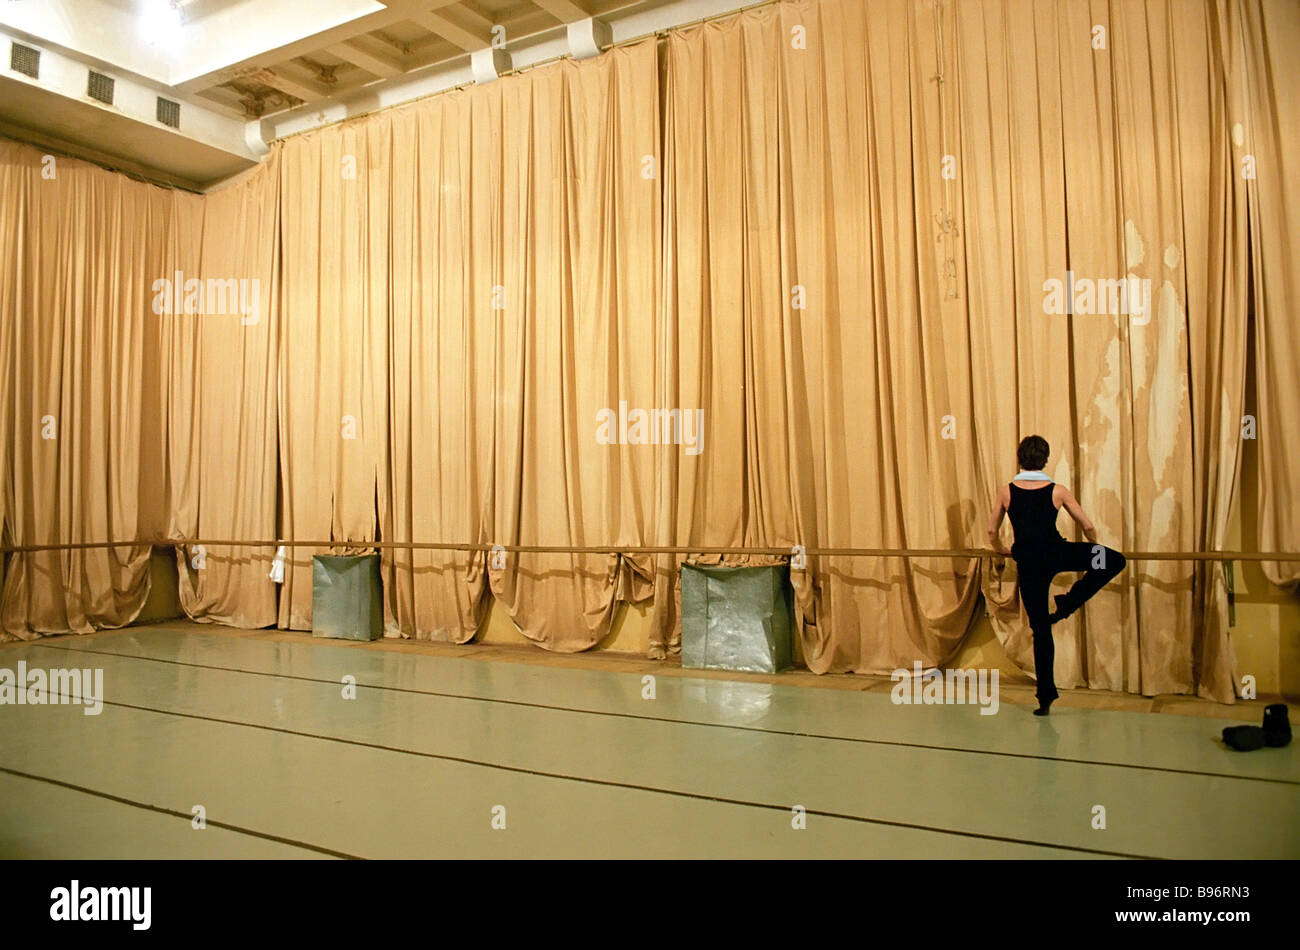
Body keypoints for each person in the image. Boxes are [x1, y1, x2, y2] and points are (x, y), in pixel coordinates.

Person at [986, 435, 1126, 715]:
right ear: (1045, 460)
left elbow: (991, 530)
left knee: (1040, 631)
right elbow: (1087, 524)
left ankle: (1045, 696)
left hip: (1028, 561)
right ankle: (1068, 604)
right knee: (1113, 561)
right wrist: (1094, 545)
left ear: (1019, 459)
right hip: (1057, 552)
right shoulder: (1057, 490)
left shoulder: (1006, 491)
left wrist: (1002, 549)